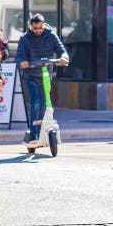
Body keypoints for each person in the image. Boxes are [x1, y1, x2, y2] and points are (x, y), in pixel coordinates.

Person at [16, 13, 69, 142]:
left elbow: (61, 49)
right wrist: (22, 61)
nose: (39, 30)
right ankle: (33, 133)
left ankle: (43, 130)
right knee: (36, 103)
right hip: (31, 75)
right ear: (30, 26)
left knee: (46, 104)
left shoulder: (50, 35)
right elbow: (19, 54)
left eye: (41, 27)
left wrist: (64, 57)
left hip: (46, 75)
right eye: (35, 28)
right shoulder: (25, 38)